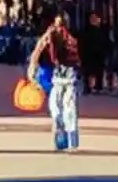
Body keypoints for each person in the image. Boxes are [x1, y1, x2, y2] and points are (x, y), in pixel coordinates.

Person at [28, 13, 81, 152]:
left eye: (60, 25)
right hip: (62, 77)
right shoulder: (60, 37)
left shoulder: (61, 37)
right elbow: (38, 51)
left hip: (63, 77)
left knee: (63, 109)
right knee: (62, 109)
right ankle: (66, 141)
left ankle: (67, 141)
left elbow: (38, 51)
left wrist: (32, 69)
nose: (59, 28)